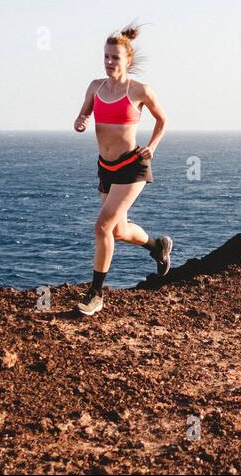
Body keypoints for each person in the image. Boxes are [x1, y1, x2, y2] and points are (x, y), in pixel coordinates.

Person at [72, 23, 171, 315]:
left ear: (127, 60)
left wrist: (151, 147)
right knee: (118, 231)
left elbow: (162, 120)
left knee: (102, 225)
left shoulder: (139, 90)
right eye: (106, 57)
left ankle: (95, 294)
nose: (109, 62)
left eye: (115, 58)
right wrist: (80, 121)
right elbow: (85, 112)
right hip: (105, 167)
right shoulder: (95, 87)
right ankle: (157, 245)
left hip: (132, 166)